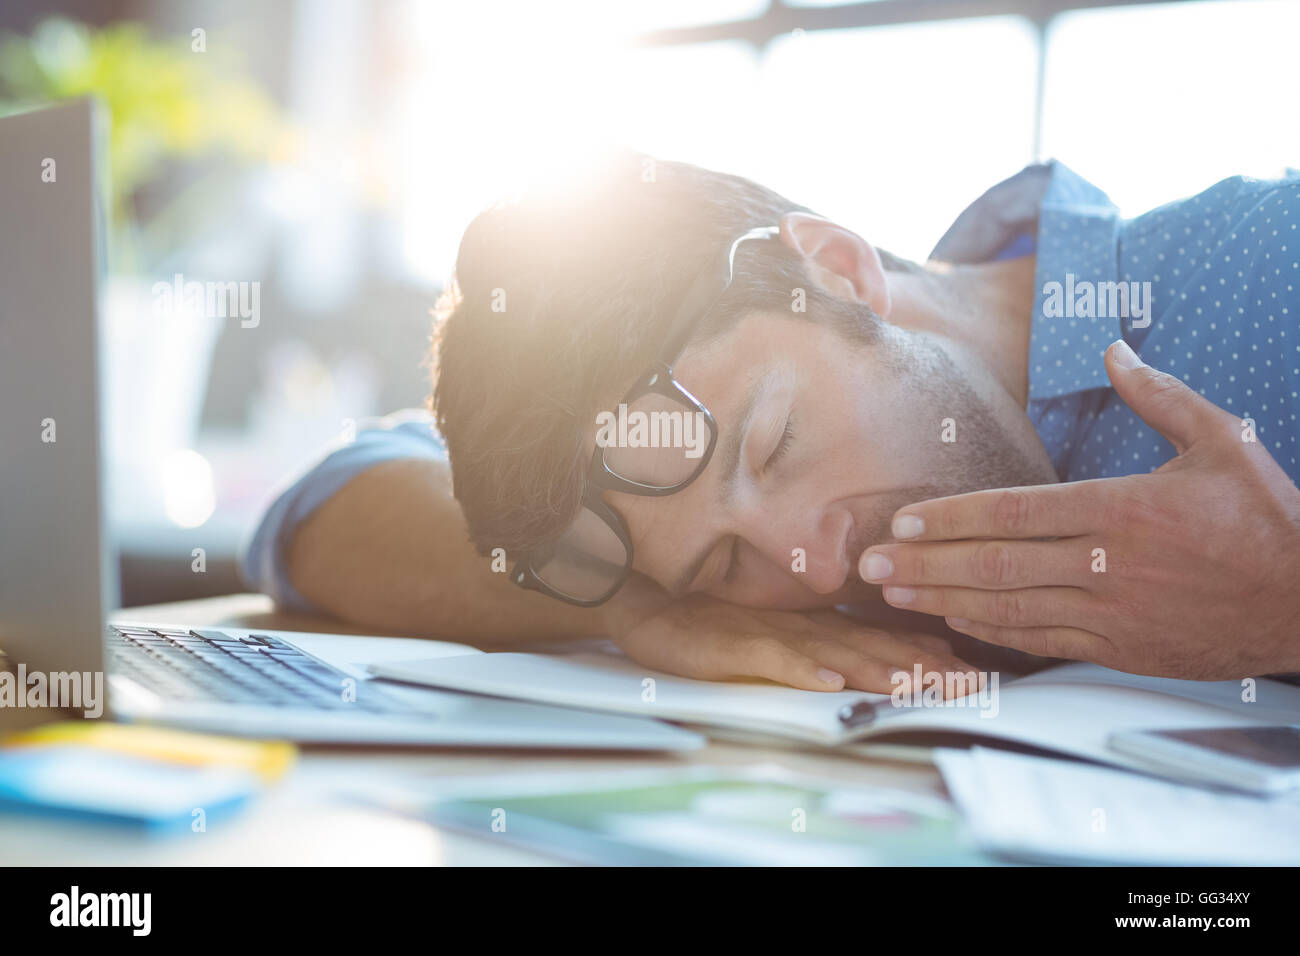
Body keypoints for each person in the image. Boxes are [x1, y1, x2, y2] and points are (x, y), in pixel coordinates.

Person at [243, 157, 1300, 688]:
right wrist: (641, 605)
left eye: (773, 444)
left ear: (836, 269)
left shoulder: (1270, 277)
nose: (807, 565)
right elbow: (324, 507)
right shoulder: (704, 543)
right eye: (720, 562)